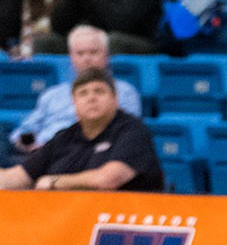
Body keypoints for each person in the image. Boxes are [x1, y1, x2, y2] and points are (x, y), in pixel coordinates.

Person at [0, 70, 162, 193]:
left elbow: (107, 180)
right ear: (74, 103)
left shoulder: (133, 131)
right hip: (69, 224)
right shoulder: (64, 138)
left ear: (115, 99)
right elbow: (16, 178)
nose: (91, 98)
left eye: (99, 91)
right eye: (83, 93)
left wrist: (55, 182)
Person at [6, 26, 142, 155]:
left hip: (87, 154)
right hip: (40, 154)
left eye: (93, 52)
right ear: (71, 57)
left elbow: (127, 132)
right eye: (80, 53)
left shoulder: (124, 92)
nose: (86, 59)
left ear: (106, 56)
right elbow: (24, 132)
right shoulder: (52, 94)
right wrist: (26, 143)